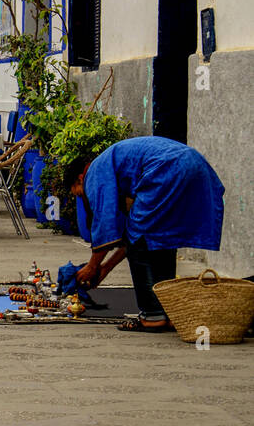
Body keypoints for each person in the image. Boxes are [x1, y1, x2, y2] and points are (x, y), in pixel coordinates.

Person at [69, 136, 225, 333]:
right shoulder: (112, 165)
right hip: (195, 164)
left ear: (80, 178)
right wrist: (105, 268)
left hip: (167, 168)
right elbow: (129, 238)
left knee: (140, 234)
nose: (84, 197)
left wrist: (92, 266)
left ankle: (152, 316)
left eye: (79, 193)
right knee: (161, 239)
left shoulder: (94, 173)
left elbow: (105, 222)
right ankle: (167, 312)